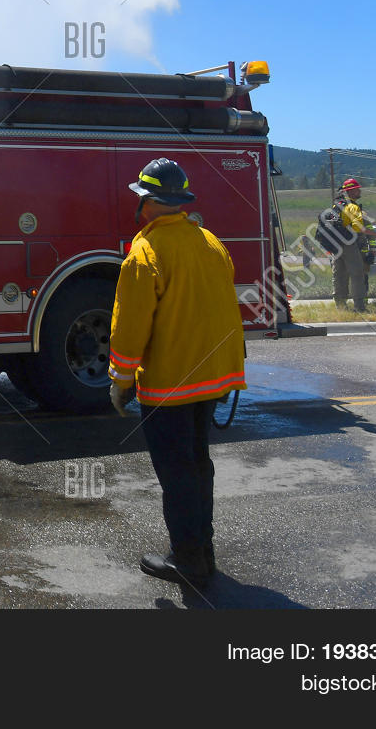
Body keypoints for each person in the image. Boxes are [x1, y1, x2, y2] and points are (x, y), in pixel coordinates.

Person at [108, 157, 246, 590]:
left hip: (168, 385)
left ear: (146, 202)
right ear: (181, 202)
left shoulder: (143, 255)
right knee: (197, 466)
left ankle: (188, 560)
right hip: (212, 381)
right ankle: (201, 550)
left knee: (177, 473)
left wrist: (121, 380)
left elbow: (130, 328)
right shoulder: (210, 242)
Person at [331, 176, 376, 312]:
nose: (359, 191)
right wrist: (375, 234)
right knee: (357, 274)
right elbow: (360, 228)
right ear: (351, 192)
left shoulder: (337, 205)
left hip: (335, 245)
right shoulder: (353, 207)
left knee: (339, 275)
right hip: (349, 244)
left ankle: (340, 307)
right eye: (357, 189)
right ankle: (359, 306)